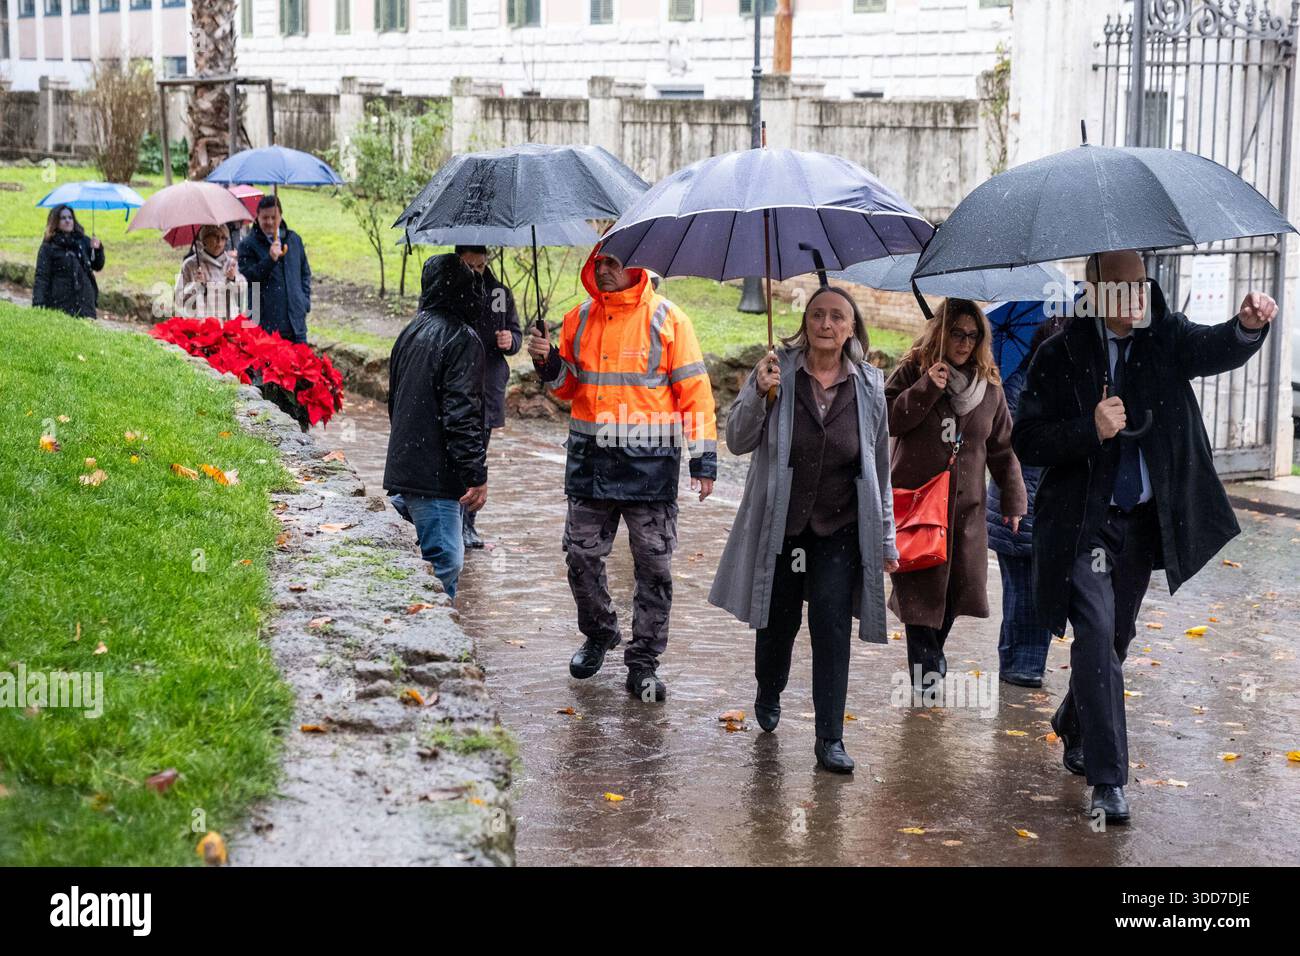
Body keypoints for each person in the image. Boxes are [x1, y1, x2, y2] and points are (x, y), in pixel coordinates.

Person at [1012, 250, 1276, 825]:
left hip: (1140, 523)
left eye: (1141, 282)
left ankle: (1072, 721)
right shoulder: (1058, 352)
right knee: (1097, 631)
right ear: (1095, 288)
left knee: (1118, 637)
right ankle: (1108, 782)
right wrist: (1090, 429)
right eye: (1122, 285)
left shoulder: (1164, 336)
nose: (1136, 294)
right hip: (1084, 525)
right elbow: (1027, 439)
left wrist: (1247, 327)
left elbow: (1211, 348)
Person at [708, 286, 899, 773]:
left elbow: (879, 468)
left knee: (832, 628)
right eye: (817, 314)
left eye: (837, 316)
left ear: (851, 327)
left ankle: (829, 738)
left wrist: (885, 538)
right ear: (804, 321)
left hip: (838, 528)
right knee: (778, 622)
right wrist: (757, 390)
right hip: (784, 526)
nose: (826, 324)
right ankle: (768, 690)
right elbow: (736, 440)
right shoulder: (777, 372)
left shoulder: (870, 386)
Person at [527, 247, 717, 702]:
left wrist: (704, 460)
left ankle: (644, 664)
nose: (605, 270)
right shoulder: (578, 318)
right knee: (580, 557)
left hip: (649, 471)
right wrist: (547, 361)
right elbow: (566, 388)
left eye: (614, 262)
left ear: (636, 265)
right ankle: (600, 632)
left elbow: (695, 393)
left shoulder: (669, 320)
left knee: (654, 568)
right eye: (599, 263)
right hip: (591, 463)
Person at [885, 298, 1026, 691]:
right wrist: (927, 387)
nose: (964, 343)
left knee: (954, 590)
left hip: (966, 509)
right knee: (919, 589)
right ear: (941, 332)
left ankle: (931, 656)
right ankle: (927, 664)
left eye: (972, 335)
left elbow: (1001, 448)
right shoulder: (915, 367)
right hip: (918, 501)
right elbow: (888, 418)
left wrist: (1014, 500)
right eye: (957, 333)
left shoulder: (989, 384)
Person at [383, 253, 489, 601]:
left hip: (408, 467)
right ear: (463, 289)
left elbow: (394, 402)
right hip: (436, 477)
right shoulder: (461, 339)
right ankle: (431, 642)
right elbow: (462, 414)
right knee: (444, 561)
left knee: (433, 555)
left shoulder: (411, 331)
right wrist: (475, 474)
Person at [985, 312, 1071, 688]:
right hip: (1021, 508)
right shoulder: (1023, 387)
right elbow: (1016, 453)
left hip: (1033, 509)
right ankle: (1024, 667)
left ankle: (1016, 663)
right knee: (1029, 593)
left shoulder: (1053, 385)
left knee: (1026, 592)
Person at [454, 244, 522, 550]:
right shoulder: (448, 291)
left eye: (480, 267)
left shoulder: (500, 295)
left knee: (477, 454)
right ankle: (448, 519)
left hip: (487, 385)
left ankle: (468, 524)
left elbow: (517, 335)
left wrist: (510, 341)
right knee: (453, 454)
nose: (476, 273)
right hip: (456, 384)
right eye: (469, 267)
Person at [237, 195, 312, 343]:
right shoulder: (247, 245)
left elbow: (305, 273)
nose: (270, 222)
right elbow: (251, 277)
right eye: (265, 218)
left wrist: (304, 302)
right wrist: (270, 259)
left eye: (274, 217)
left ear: (281, 216)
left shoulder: (293, 239)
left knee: (301, 365)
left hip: (296, 323)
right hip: (266, 323)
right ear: (257, 217)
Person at [33, 205, 104, 318]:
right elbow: (42, 276)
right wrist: (38, 303)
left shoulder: (83, 241)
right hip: (60, 302)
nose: (67, 221)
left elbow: (97, 265)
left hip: (85, 301)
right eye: (63, 218)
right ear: (55, 221)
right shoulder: (48, 247)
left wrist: (97, 249)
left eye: (70, 217)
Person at [174, 224, 247, 321]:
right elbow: (179, 299)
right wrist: (195, 285)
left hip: (227, 323)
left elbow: (243, 292)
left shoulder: (231, 263)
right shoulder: (190, 265)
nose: (219, 242)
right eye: (215, 237)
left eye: (223, 238)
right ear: (204, 239)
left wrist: (233, 279)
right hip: (201, 324)